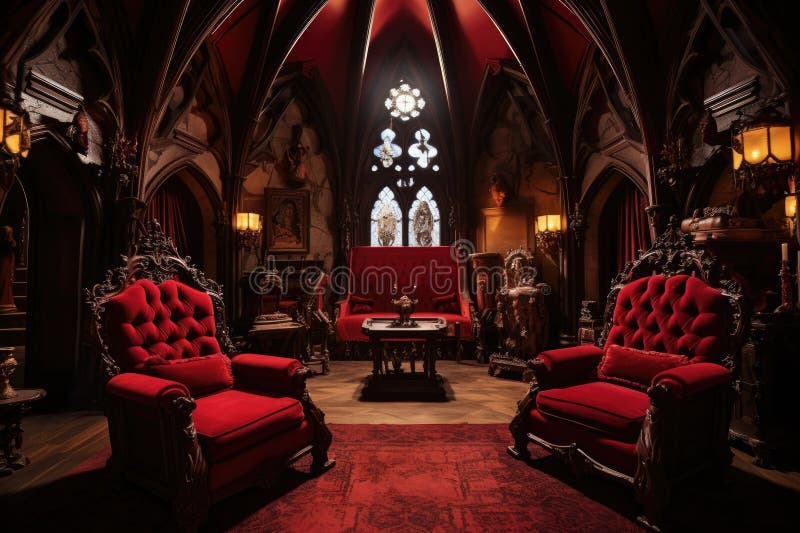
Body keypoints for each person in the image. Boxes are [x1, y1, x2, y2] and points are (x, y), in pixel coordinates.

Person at [0, 226, 17, 313]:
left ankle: (5, 303)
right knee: (3, 280)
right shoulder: (5, 242)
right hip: (4, 262)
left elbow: (11, 253)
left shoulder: (9, 242)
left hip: (6, 262)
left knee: (5, 281)